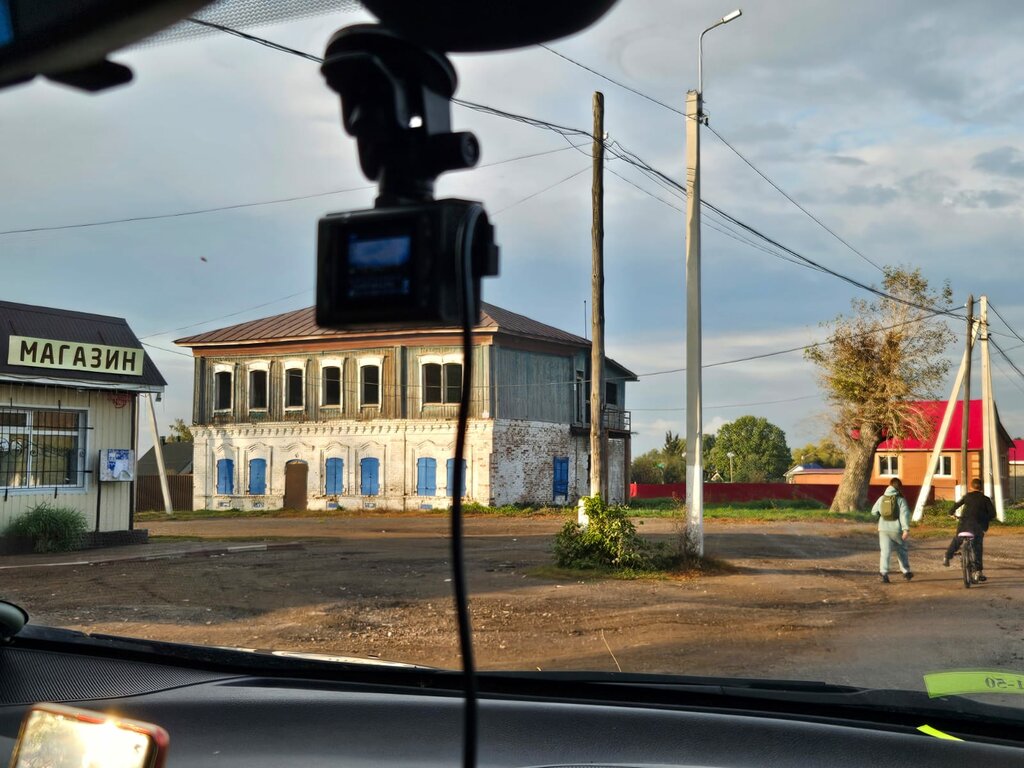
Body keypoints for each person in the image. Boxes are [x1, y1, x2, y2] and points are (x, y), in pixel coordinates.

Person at [943, 478, 996, 581]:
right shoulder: (985, 499)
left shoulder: (967, 497)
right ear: (981, 488)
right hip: (978, 527)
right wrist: (986, 518)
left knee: (957, 539)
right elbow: (993, 514)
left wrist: (951, 513)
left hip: (964, 524)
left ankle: (947, 556)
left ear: (971, 487)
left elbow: (955, 506)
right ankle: (978, 571)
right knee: (977, 546)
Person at [870, 478, 913, 583]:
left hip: (883, 529)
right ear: (899, 487)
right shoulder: (900, 500)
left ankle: (884, 573)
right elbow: (904, 515)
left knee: (885, 552)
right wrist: (905, 529)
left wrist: (882, 515)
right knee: (901, 551)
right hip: (896, 530)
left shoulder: (882, 498)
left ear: (889, 485)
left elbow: (873, 512)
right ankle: (906, 571)